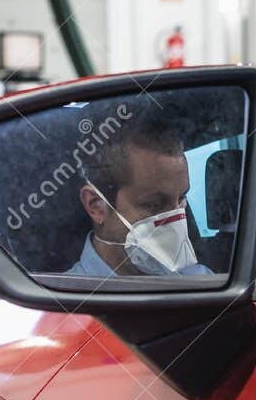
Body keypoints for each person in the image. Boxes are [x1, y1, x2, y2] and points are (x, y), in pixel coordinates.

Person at [64, 116, 213, 278]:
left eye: (181, 199)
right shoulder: (61, 295)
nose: (177, 220)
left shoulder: (203, 280)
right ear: (96, 206)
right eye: (155, 204)